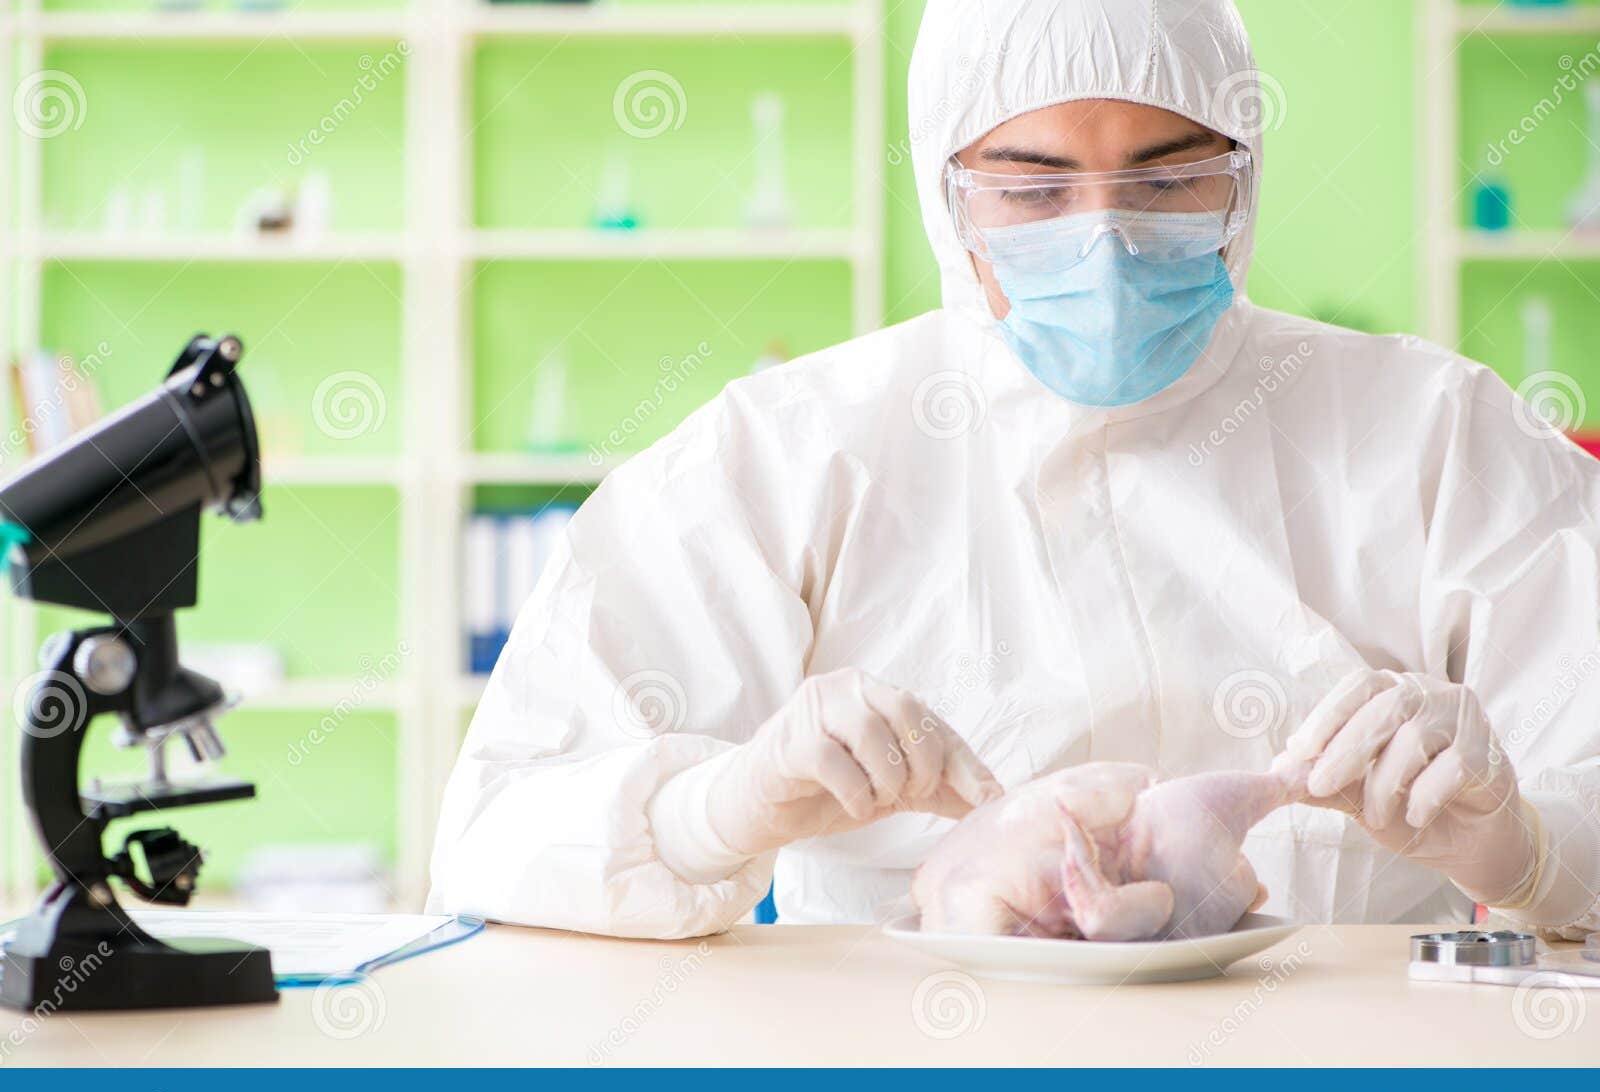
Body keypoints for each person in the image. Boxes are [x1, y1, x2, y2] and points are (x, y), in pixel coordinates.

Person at [427, 0, 1600, 941]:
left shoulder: (1434, 432)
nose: (1103, 241)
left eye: (1163, 181)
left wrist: (1528, 851)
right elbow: (494, 834)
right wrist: (722, 806)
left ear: (1243, 179)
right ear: (950, 203)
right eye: (1033, 189)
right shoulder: (789, 453)